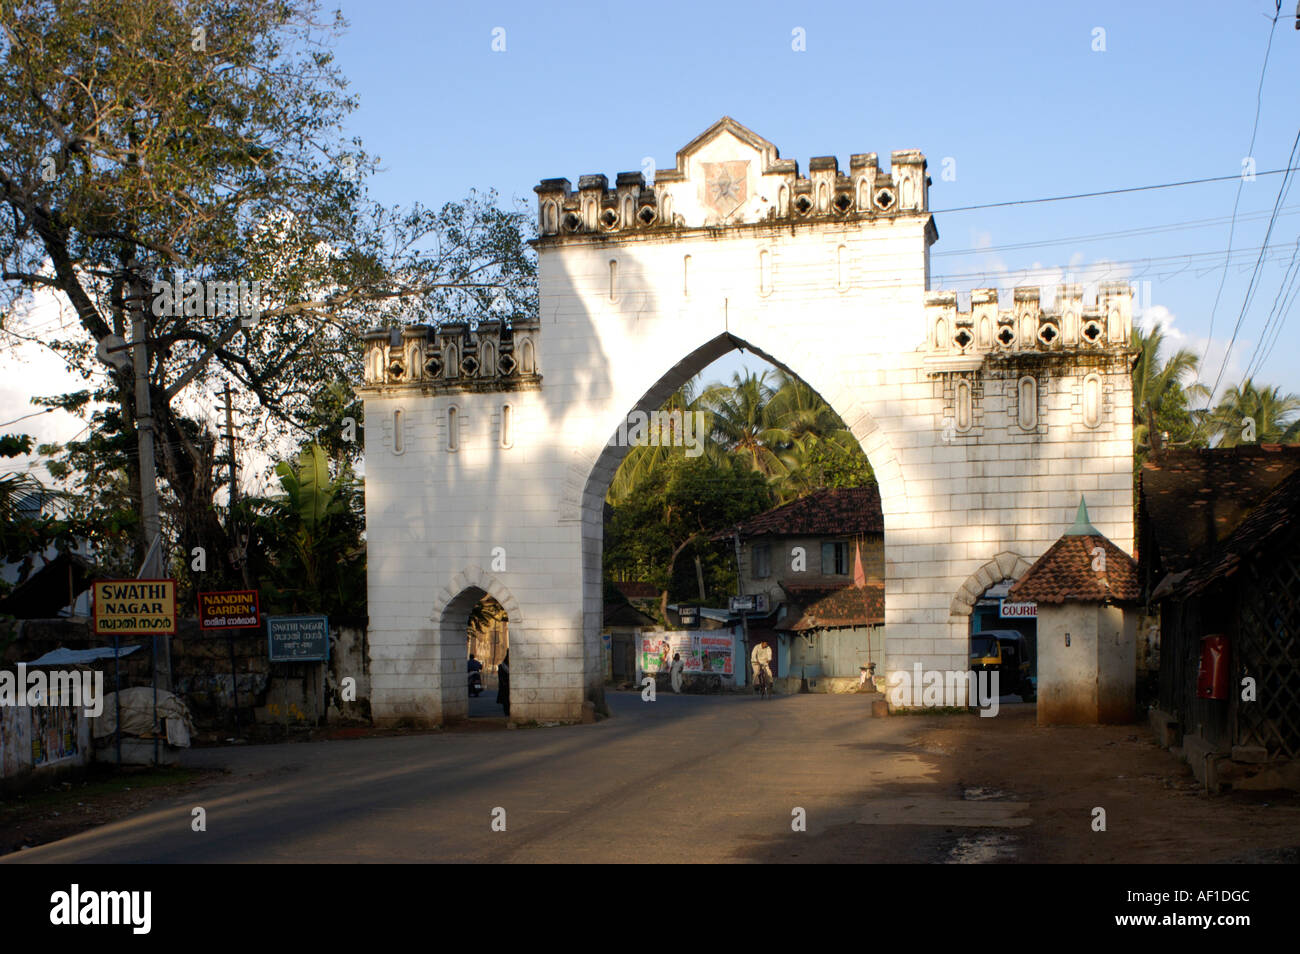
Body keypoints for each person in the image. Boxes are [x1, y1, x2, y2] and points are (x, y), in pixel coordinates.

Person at [496, 651, 510, 717]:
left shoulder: (503, 666)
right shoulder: (502, 666)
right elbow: (500, 677)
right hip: (505, 686)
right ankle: (506, 712)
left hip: (507, 685)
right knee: (505, 700)